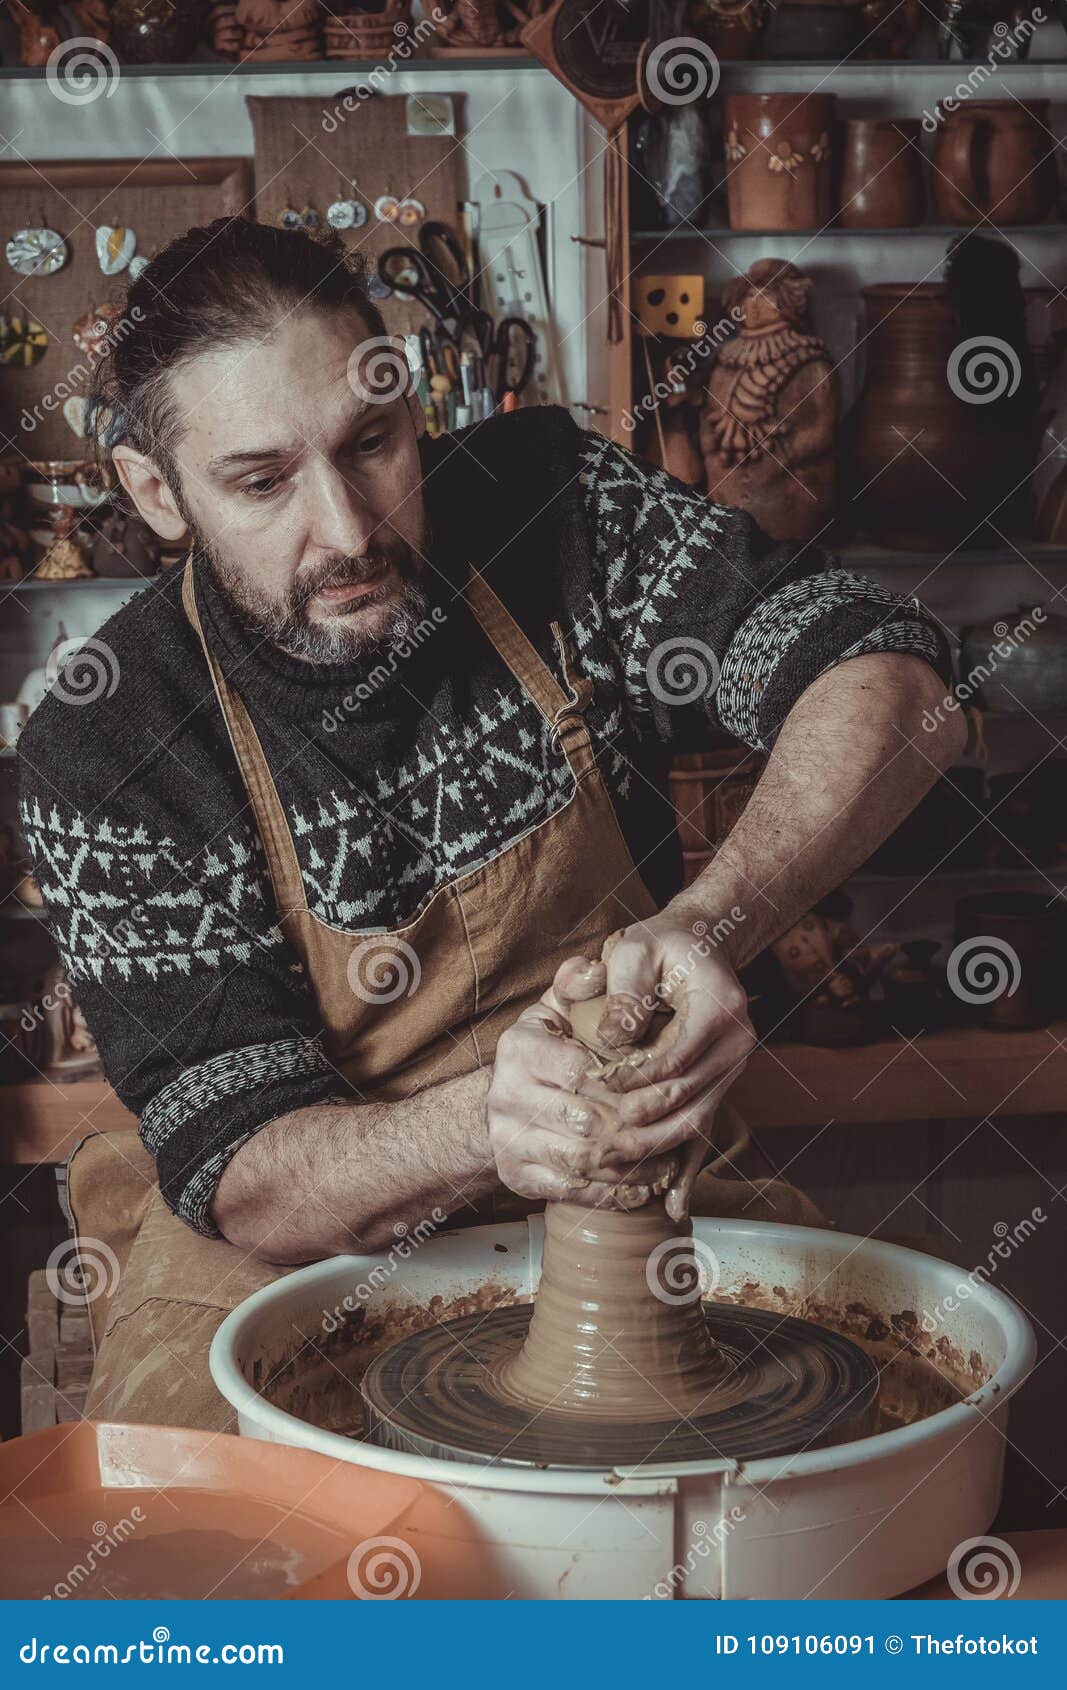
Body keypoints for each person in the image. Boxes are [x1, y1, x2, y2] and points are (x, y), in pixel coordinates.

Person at [18, 217, 963, 1428]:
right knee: (206, 1540)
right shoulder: (110, 740)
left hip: (628, 1184)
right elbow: (242, 1169)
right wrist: (489, 1125)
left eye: (372, 444)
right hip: (285, 1241)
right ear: (156, 494)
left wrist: (711, 923)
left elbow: (888, 675)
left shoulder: (551, 505)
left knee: (848, 1454)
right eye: (262, 483)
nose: (349, 529)